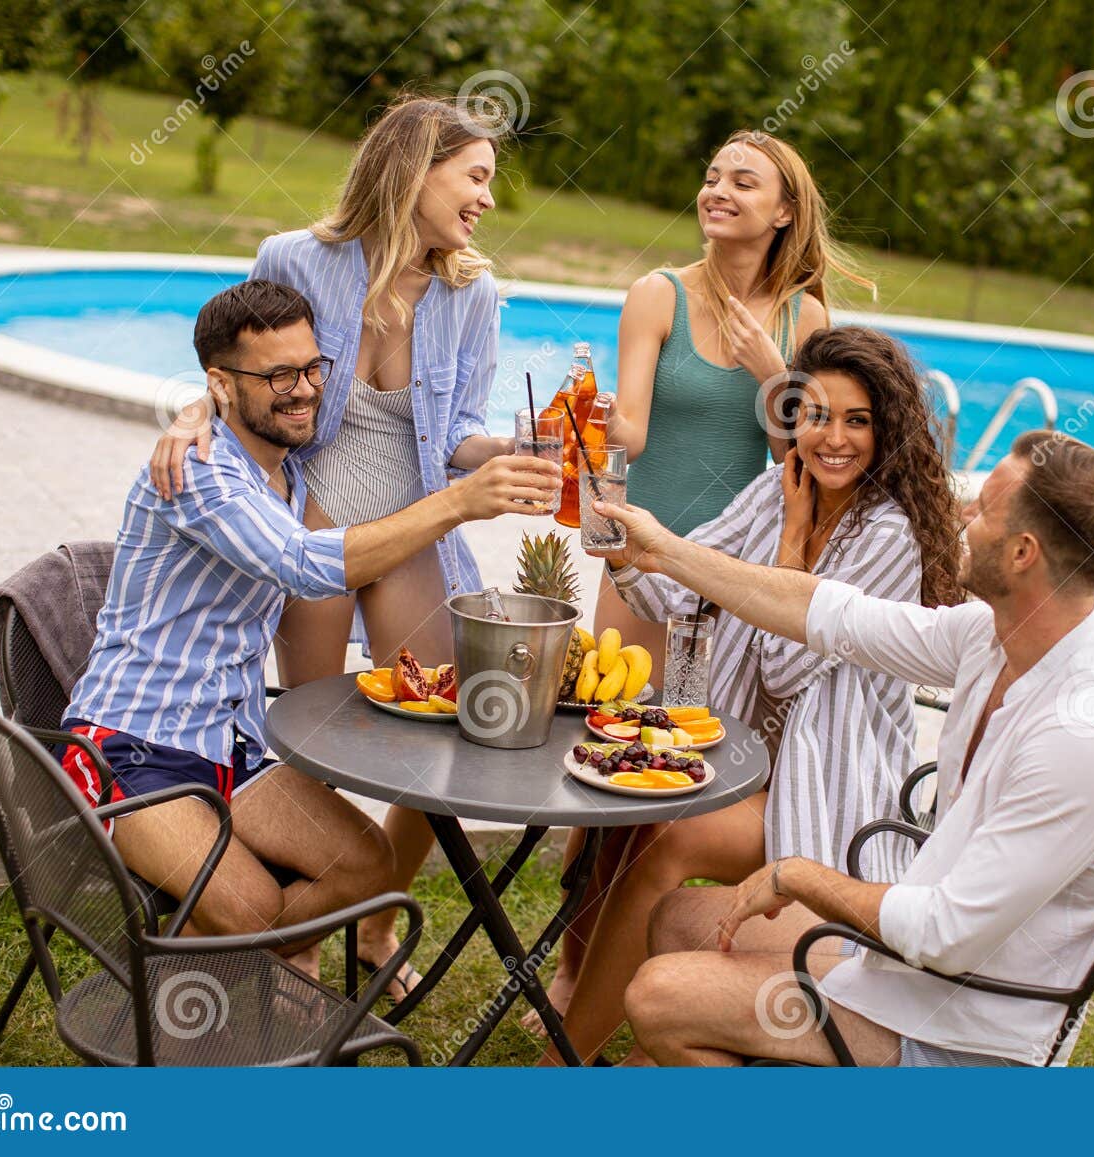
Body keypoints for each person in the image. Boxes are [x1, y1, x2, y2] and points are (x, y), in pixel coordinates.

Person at [591, 429, 1094, 1066]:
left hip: (963, 1034)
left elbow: (947, 935)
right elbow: (829, 613)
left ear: (1023, 552)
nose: (965, 518)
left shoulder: (1082, 738)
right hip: (908, 969)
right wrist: (662, 552)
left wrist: (797, 874)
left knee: (661, 997)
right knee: (678, 920)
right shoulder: (994, 636)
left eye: (985, 511)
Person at [61, 280, 558, 978]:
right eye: (276, 376)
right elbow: (302, 563)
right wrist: (457, 504)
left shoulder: (292, 467)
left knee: (369, 867)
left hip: (231, 741)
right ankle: (227, 974)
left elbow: (393, 446)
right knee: (252, 906)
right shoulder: (200, 471)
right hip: (132, 742)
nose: (301, 391)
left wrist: (200, 405)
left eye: (310, 368)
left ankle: (235, 965)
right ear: (223, 383)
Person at [145, 95, 513, 987]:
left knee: (444, 733)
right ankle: (308, 937)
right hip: (311, 520)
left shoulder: (474, 292)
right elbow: (243, 362)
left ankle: (376, 923)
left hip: (412, 521)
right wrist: (193, 413)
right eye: (475, 177)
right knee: (313, 740)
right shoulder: (297, 259)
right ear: (416, 168)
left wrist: (510, 450)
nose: (487, 202)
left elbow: (458, 428)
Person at [538, 328, 964, 1063]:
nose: (832, 438)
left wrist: (794, 545)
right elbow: (682, 577)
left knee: (670, 834)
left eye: (856, 420)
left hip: (820, 789)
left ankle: (561, 1064)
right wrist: (622, 547)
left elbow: (785, 665)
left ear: (886, 429)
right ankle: (578, 984)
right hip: (734, 752)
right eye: (816, 414)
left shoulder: (891, 536)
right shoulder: (777, 486)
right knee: (622, 807)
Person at [595, 129, 875, 661]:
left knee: (703, 730)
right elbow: (629, 435)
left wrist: (773, 374)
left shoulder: (804, 316)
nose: (718, 191)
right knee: (610, 718)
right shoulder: (658, 295)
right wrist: (589, 419)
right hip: (638, 552)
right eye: (712, 178)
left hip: (733, 565)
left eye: (743, 183)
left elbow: (796, 463)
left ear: (784, 213)